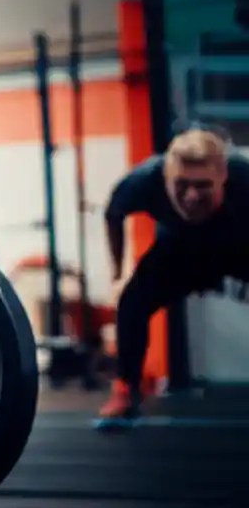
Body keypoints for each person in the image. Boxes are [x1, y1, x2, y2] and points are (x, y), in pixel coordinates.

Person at [95, 126, 249, 430]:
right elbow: (114, 214)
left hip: (237, 246)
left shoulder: (244, 178)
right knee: (131, 303)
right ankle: (126, 390)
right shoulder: (143, 181)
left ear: (223, 177)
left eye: (203, 185)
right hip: (179, 251)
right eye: (181, 185)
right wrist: (117, 275)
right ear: (165, 177)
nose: (191, 196)